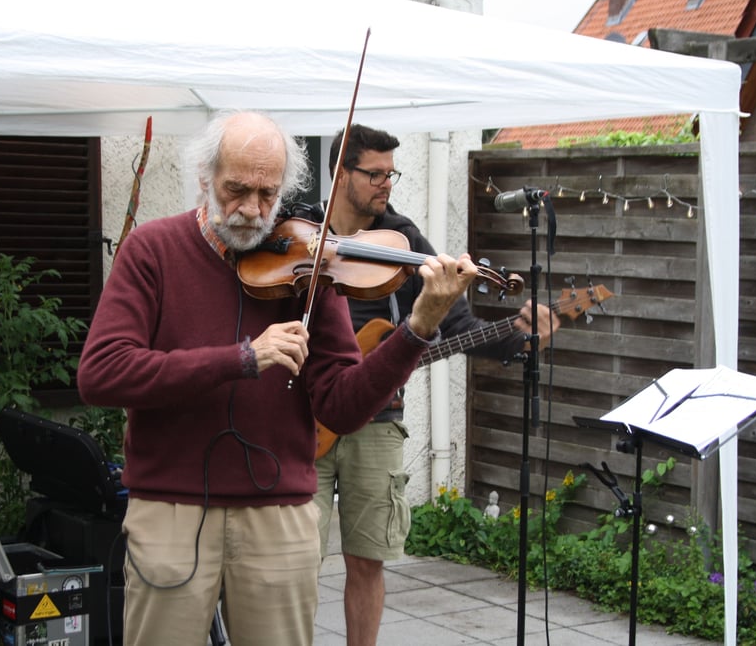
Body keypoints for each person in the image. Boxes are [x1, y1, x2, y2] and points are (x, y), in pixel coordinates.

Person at [77, 110, 485, 646]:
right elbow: (101, 373)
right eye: (236, 190)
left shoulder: (309, 268)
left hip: (279, 512)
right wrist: (241, 358)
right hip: (172, 508)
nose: (251, 210)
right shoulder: (153, 250)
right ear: (205, 178)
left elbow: (342, 405)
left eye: (267, 193)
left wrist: (418, 328)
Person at [302, 124, 560, 646]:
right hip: (302, 413)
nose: (386, 185)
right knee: (295, 561)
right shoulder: (302, 228)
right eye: (374, 174)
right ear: (340, 172)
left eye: (390, 174)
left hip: (377, 416)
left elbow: (457, 326)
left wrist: (516, 334)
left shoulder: (404, 240)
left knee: (368, 556)